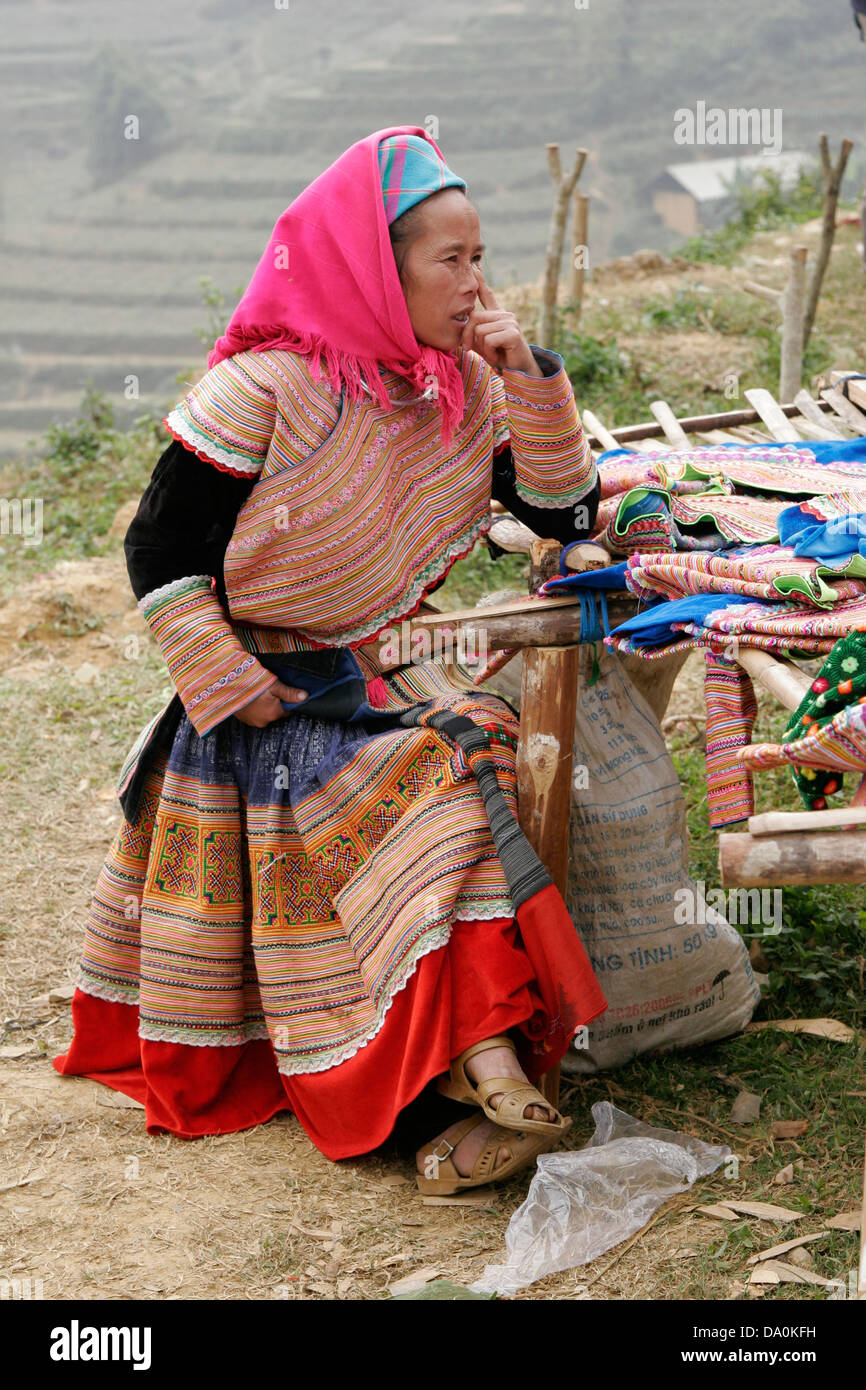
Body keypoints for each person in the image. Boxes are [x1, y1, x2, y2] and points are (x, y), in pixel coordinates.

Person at [54, 125, 606, 1195]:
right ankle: (480, 1067)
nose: (473, 283)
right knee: (442, 783)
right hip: (261, 699)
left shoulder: (456, 390)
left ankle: (482, 1067)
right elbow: (158, 552)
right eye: (450, 261)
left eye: (479, 257)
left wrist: (528, 375)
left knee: (474, 760)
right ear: (373, 266)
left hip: (369, 674)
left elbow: (559, 506)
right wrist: (228, 681)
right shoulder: (263, 389)